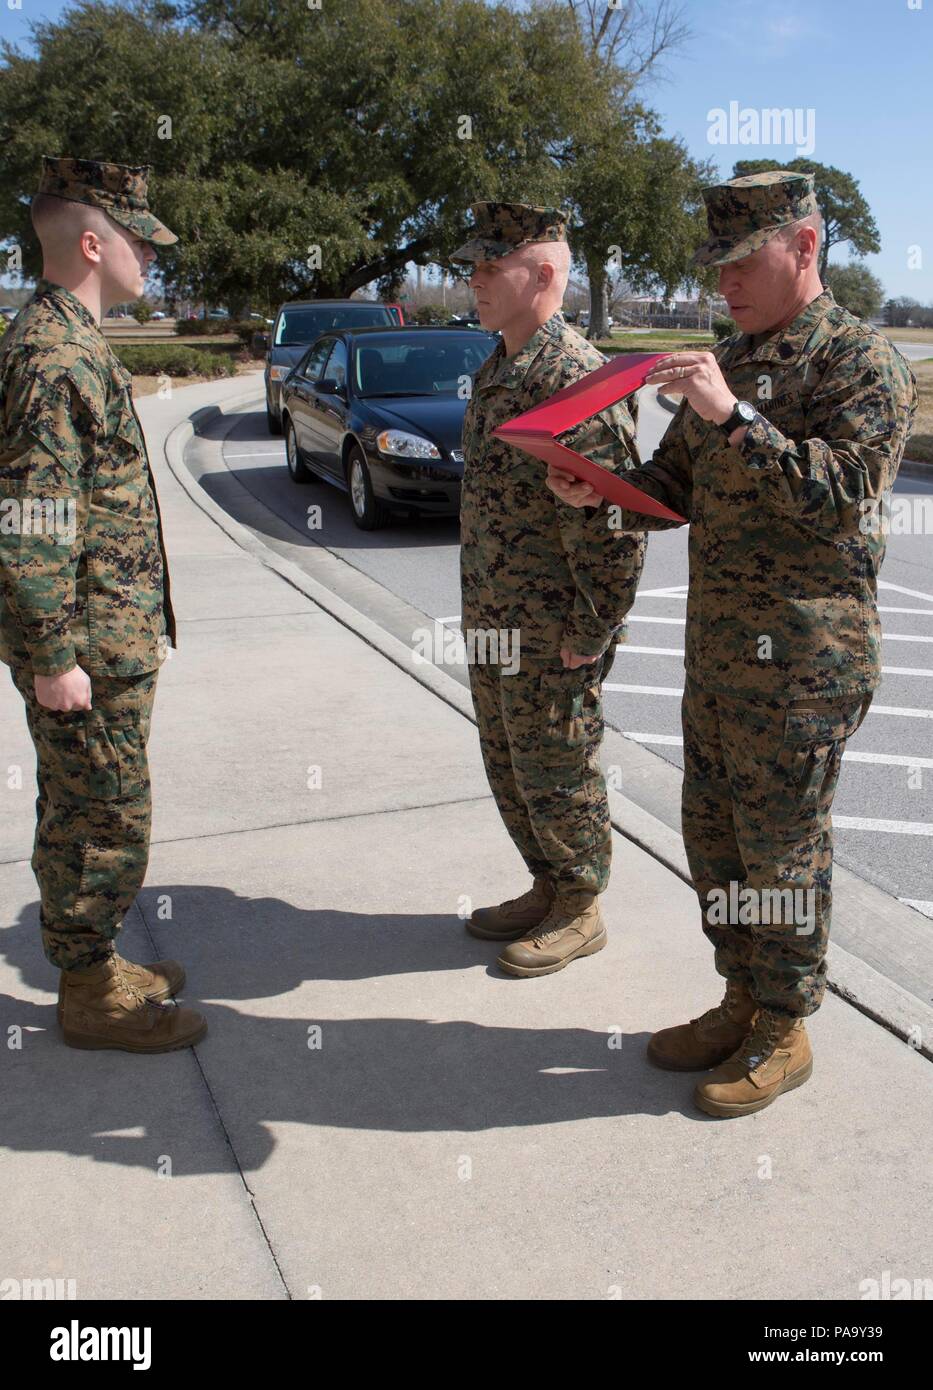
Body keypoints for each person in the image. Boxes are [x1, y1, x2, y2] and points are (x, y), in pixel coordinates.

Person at [546, 171, 917, 1114]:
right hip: (715, 657)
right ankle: (741, 997)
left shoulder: (857, 360)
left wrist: (732, 414)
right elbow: (672, 489)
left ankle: (786, 1027)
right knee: (713, 841)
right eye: (715, 267)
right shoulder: (726, 358)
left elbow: (837, 496)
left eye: (742, 262)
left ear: (804, 245)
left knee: (781, 849)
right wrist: (602, 490)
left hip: (804, 666)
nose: (725, 286)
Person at [0, 156, 206, 1052]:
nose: (150, 262)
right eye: (139, 244)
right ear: (92, 243)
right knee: (102, 814)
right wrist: (53, 658)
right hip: (85, 643)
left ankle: (96, 962)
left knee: (89, 803)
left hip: (104, 635)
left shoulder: (69, 340)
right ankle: (91, 994)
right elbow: (32, 518)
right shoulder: (52, 354)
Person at [450, 201, 646, 978]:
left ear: (544, 275)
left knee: (556, 764)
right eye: (471, 266)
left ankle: (580, 903)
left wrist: (592, 629)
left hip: (551, 624)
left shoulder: (573, 378)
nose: (474, 281)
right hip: (494, 614)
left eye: (489, 266)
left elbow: (617, 521)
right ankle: (546, 883)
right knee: (507, 760)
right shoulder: (499, 365)